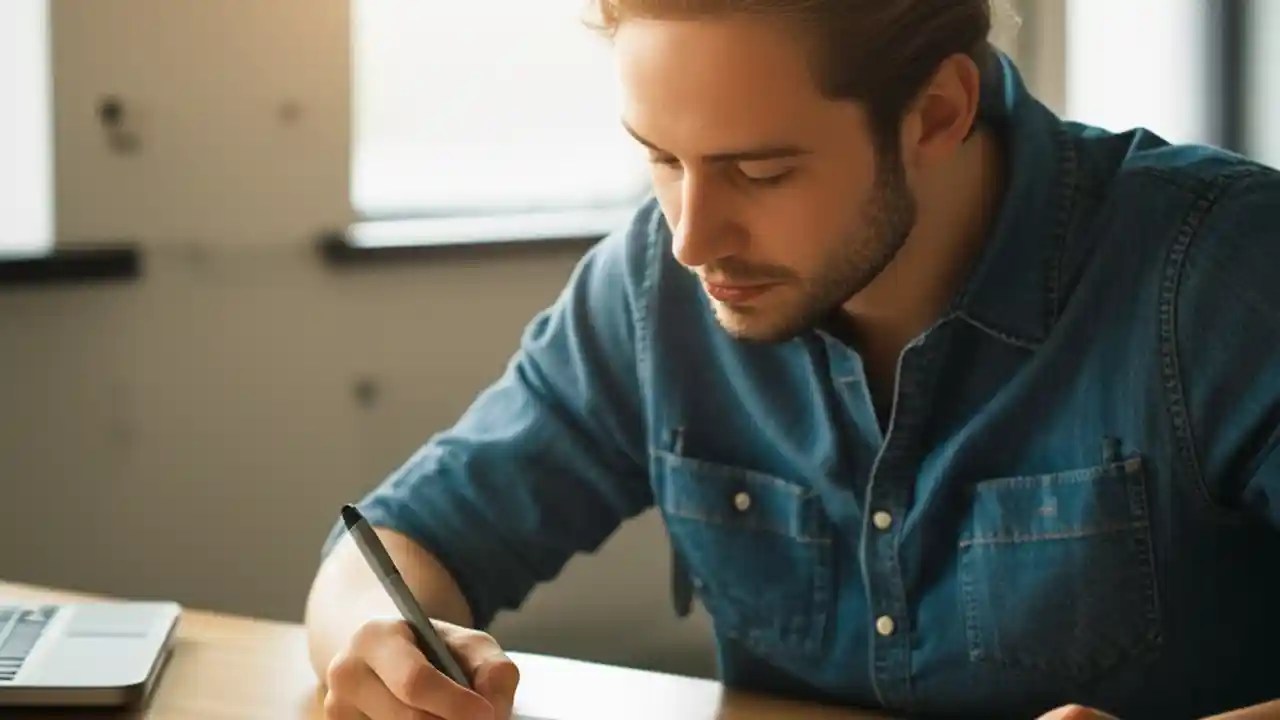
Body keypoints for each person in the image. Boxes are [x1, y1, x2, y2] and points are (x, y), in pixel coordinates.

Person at [304, 1, 1280, 718]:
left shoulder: (1219, 271)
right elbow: (395, 542)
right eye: (659, 158)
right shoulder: (654, 286)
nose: (690, 237)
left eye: (758, 171)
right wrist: (377, 642)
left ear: (936, 113)